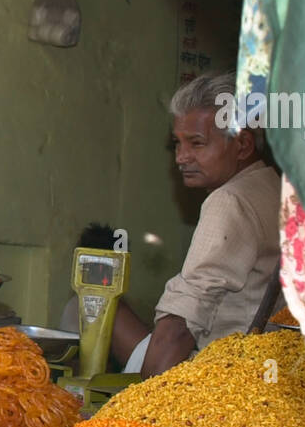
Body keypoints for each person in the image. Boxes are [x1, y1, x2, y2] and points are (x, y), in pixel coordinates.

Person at [110, 72, 280, 377]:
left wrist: (142, 409)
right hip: (265, 368)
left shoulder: (230, 200)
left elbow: (179, 324)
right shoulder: (273, 186)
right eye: (178, 143)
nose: (181, 157)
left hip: (220, 378)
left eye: (197, 143)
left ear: (242, 145)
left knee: (100, 311)